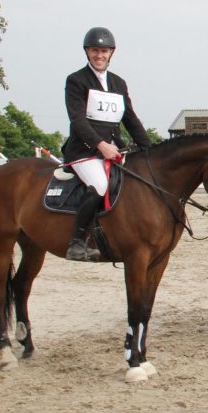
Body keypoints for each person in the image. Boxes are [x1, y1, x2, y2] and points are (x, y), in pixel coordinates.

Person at [62, 27, 152, 262]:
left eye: (103, 51)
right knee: (99, 184)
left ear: (111, 53)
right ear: (87, 52)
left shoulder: (118, 83)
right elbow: (78, 120)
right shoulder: (76, 80)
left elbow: (130, 119)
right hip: (85, 151)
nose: (99, 55)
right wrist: (101, 145)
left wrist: (150, 150)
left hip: (115, 150)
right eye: (94, 50)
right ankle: (77, 242)